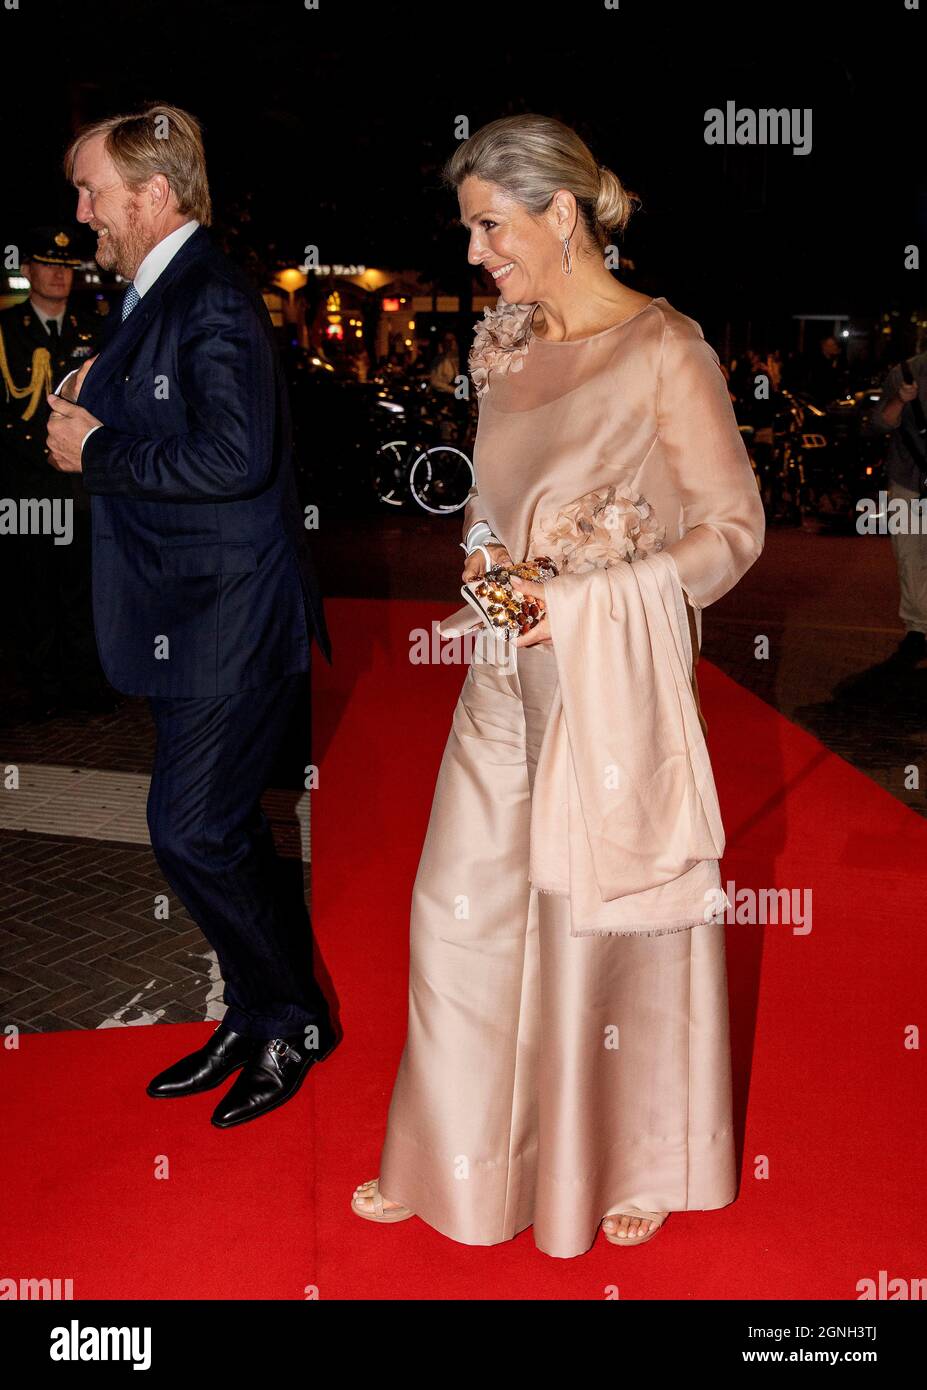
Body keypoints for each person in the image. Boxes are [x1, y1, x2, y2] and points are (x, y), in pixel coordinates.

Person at [352, 114, 765, 1257]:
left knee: (600, 920)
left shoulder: (666, 349)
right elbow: (492, 499)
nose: (478, 250)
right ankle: (457, 1151)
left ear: (562, 214)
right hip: (500, 664)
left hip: (602, 676)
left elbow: (732, 533)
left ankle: (630, 1155)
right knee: (458, 908)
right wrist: (488, 556)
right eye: (472, 227)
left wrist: (589, 593)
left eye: (493, 224)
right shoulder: (509, 343)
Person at [47, 103, 335, 1126]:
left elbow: (232, 455)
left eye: (93, 192)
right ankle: (262, 1008)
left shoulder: (210, 295)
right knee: (213, 828)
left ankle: (293, 1015)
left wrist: (98, 449)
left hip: (227, 618)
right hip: (186, 614)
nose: (83, 213)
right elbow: (191, 418)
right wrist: (107, 394)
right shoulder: (160, 291)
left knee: (190, 830)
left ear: (152, 193)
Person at [0, 226, 113, 719]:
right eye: (47, 265)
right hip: (26, 483)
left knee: (81, 587)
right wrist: (40, 452)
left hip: (79, 485)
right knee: (32, 587)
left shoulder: (94, 329)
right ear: (27, 272)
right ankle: (38, 686)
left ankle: (83, 682)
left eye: (66, 267)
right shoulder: (5, 330)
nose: (59, 275)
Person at [871, 351, 927, 663]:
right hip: (909, 478)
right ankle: (917, 629)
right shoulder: (906, 371)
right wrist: (902, 400)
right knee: (909, 555)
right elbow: (880, 422)